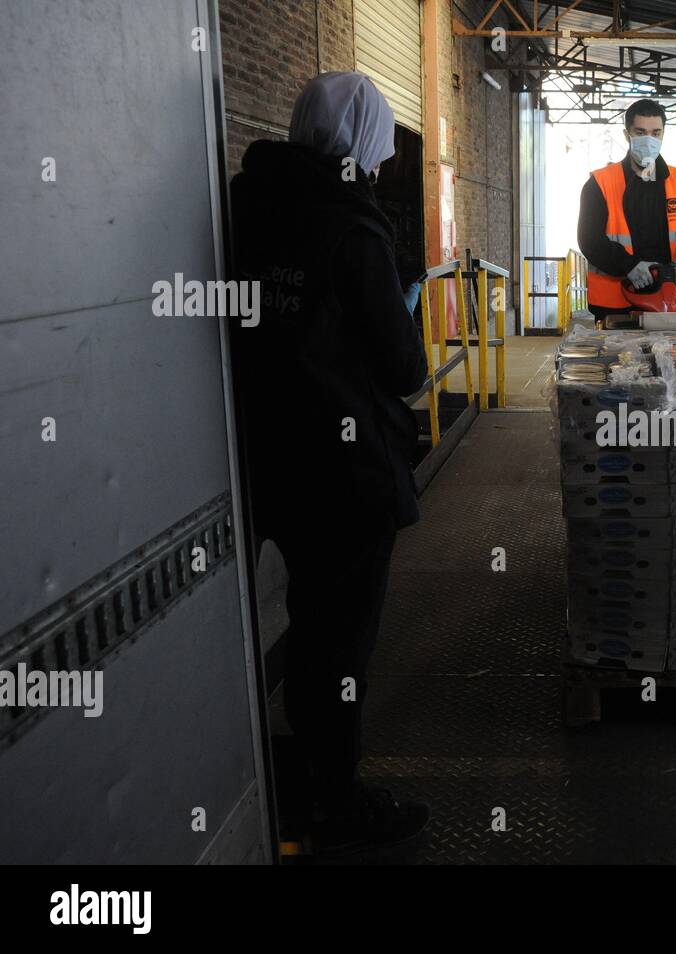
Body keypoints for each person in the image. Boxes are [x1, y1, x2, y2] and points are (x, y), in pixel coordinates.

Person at [229, 71, 430, 854]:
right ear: (363, 142)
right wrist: (401, 299)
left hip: (266, 459)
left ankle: (288, 773)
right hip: (347, 478)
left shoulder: (247, 205)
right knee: (338, 645)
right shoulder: (354, 227)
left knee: (298, 635)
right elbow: (405, 369)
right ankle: (338, 804)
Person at [577, 99, 676, 324]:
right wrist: (628, 265)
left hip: (669, 302)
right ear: (626, 134)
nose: (649, 140)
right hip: (615, 308)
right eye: (641, 132)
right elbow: (589, 239)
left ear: (663, 135)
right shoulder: (599, 184)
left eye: (656, 133)